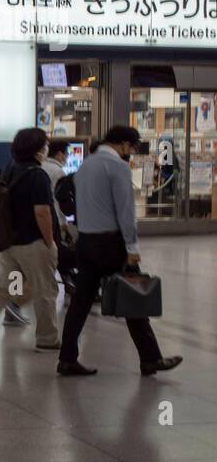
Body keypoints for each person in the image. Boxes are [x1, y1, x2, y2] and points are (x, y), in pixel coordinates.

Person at [56, 126, 182, 378]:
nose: (131, 153)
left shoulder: (85, 166)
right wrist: (132, 248)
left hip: (86, 242)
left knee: (80, 303)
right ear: (124, 144)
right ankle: (150, 359)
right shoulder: (118, 168)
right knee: (133, 297)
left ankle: (67, 358)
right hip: (111, 244)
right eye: (132, 148)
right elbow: (126, 212)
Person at [0, 128, 61, 354]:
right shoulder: (38, 175)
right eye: (44, 144)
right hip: (34, 246)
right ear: (37, 148)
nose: (46, 148)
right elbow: (42, 212)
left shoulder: (11, 169)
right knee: (45, 290)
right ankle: (47, 339)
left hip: (11, 245)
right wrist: (50, 241)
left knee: (6, 287)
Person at [43, 139, 78, 294]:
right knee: (58, 254)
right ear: (59, 153)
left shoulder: (41, 166)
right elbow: (59, 200)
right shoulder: (58, 172)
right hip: (54, 220)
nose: (66, 158)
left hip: (41, 218)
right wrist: (64, 223)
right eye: (66, 154)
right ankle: (67, 283)